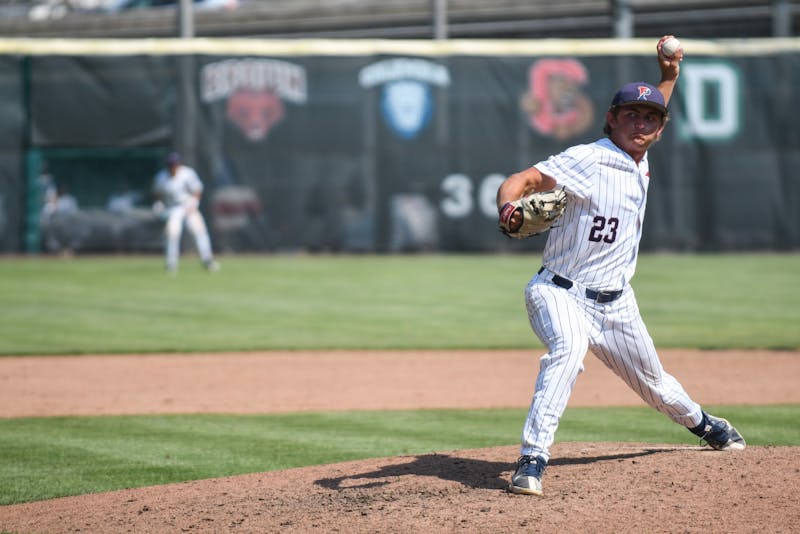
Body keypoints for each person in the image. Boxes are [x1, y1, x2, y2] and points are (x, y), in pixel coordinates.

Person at [496, 36, 745, 497]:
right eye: (630, 114)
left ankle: (705, 423)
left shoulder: (640, 157)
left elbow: (654, 107)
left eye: (650, 119)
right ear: (611, 119)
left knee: (656, 385)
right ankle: (532, 459)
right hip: (559, 291)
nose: (641, 123)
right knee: (567, 353)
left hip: (617, 305)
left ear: (660, 130)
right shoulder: (589, 158)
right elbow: (523, 179)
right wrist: (509, 208)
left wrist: (667, 78)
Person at [153, 152, 220, 273]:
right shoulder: (162, 177)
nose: (173, 167)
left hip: (188, 205)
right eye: (171, 165)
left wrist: (194, 202)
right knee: (172, 233)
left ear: (179, 164)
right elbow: (157, 193)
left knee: (199, 231)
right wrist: (158, 204)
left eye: (175, 164)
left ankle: (208, 260)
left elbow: (197, 189)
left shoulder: (187, 173)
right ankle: (171, 263)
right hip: (173, 209)